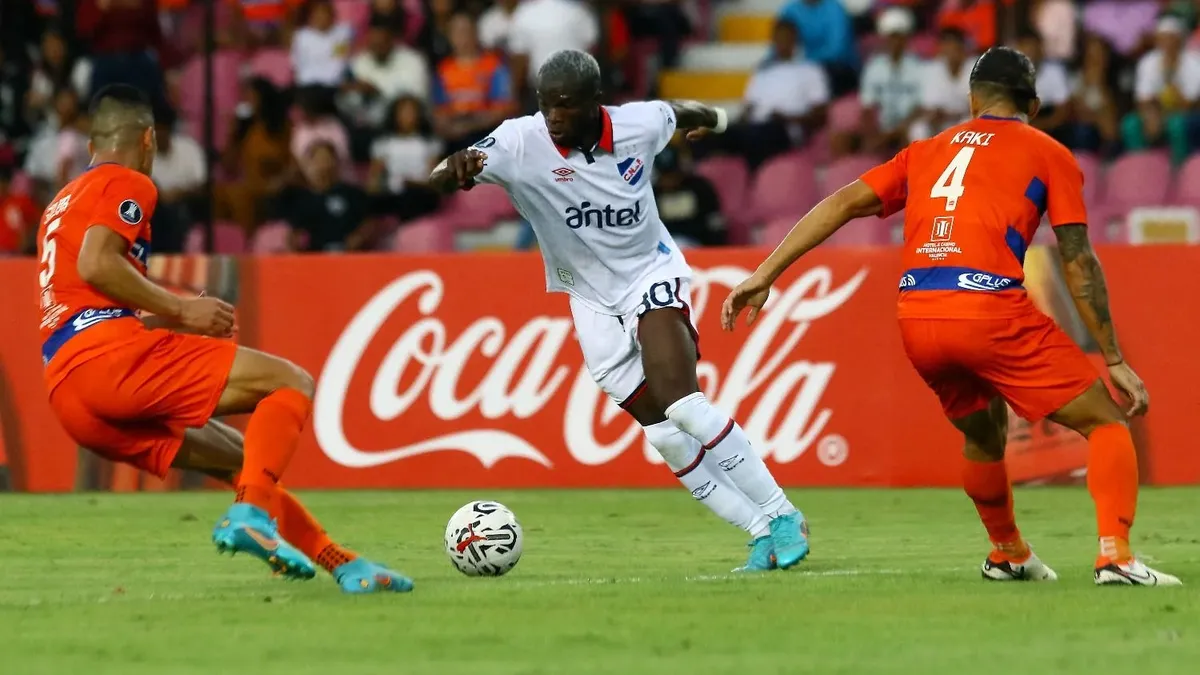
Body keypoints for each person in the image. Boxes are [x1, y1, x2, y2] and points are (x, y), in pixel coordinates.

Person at [721, 47, 1182, 587]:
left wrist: (766, 271)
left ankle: (1008, 551)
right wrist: (1114, 358)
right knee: (1105, 421)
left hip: (918, 314)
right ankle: (1116, 557)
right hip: (988, 308)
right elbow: (1077, 258)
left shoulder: (925, 151)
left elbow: (841, 202)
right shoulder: (1048, 151)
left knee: (983, 433)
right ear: (1032, 104)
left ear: (972, 99)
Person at [429, 50, 809, 573]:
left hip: (650, 275)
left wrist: (716, 121)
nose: (554, 116)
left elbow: (680, 111)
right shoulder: (520, 141)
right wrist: (455, 168)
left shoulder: (639, 123)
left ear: (594, 103)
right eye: (546, 105)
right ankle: (758, 531)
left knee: (683, 404)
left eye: (565, 105)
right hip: (587, 296)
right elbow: (452, 168)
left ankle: (783, 513)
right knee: (661, 432)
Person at [35, 85, 410, 594]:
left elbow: (78, 301)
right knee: (290, 382)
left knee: (243, 460)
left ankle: (342, 563)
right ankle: (251, 516)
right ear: (148, 139)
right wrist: (181, 307)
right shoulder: (127, 181)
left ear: (89, 145)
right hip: (108, 360)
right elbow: (97, 265)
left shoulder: (59, 203)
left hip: (68, 390)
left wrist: (161, 322)